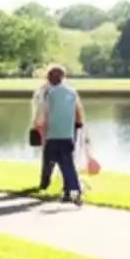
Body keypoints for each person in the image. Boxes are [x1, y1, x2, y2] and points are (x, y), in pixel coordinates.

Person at [34, 66, 86, 204]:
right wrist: (79, 125)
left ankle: (70, 189)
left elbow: (43, 113)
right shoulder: (72, 92)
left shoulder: (48, 93)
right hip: (68, 133)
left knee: (51, 161)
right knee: (67, 162)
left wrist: (37, 126)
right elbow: (78, 111)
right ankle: (72, 190)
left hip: (53, 133)